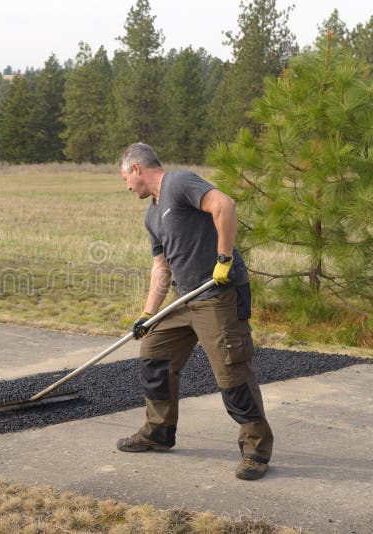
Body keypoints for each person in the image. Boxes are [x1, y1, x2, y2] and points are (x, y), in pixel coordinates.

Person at [117, 142, 273, 481]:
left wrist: (224, 258)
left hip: (218, 294)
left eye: (125, 178)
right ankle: (159, 431)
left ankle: (256, 450)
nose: (127, 186)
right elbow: (162, 268)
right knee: (154, 354)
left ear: (137, 169)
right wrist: (147, 315)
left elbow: (224, 205)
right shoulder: (151, 215)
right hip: (184, 298)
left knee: (232, 372)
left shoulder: (178, 183)